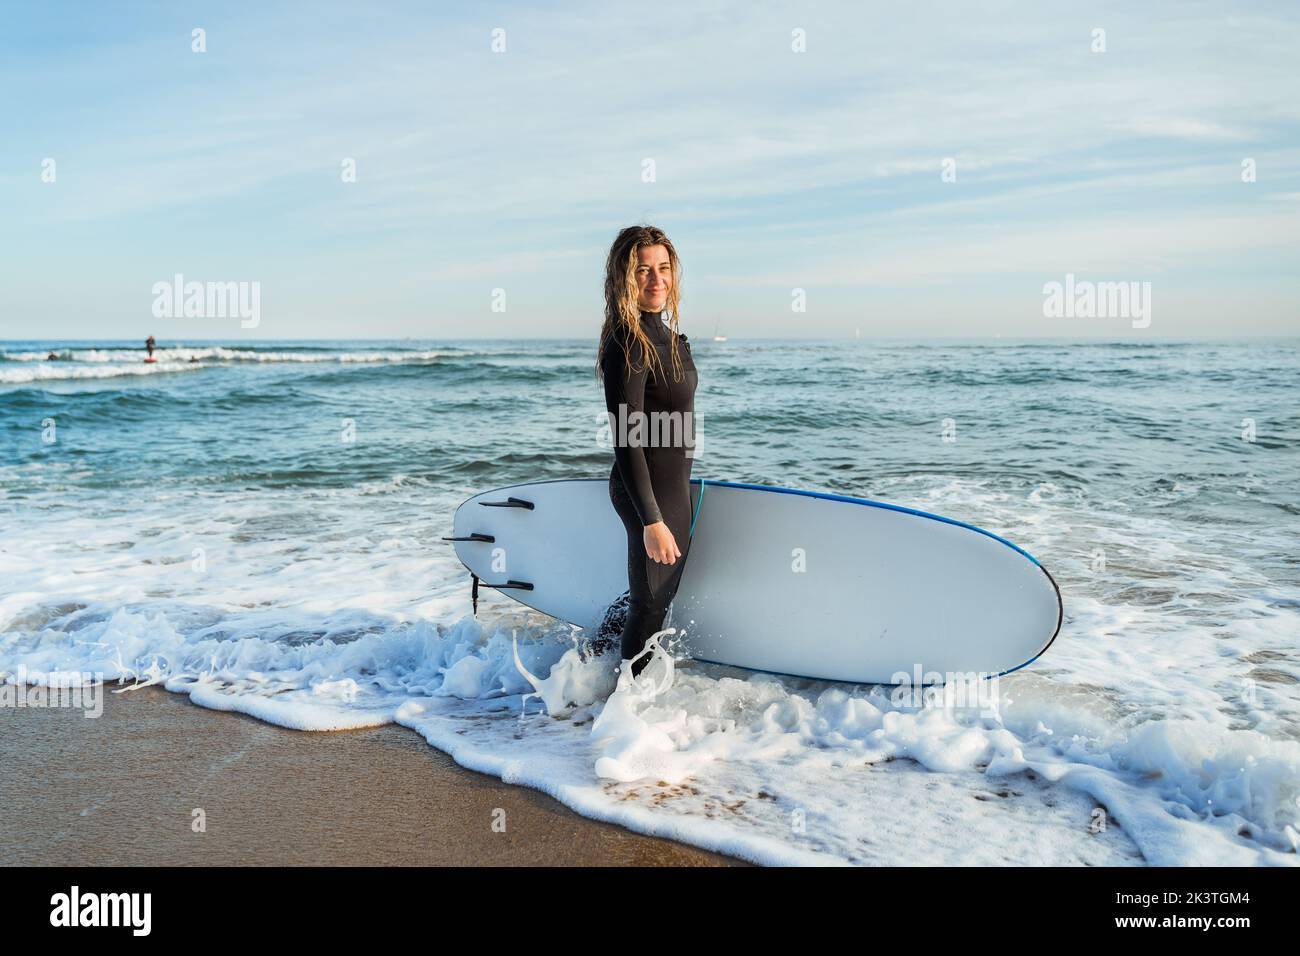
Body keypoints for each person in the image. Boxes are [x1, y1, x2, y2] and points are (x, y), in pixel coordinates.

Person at [595, 225, 698, 678]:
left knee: (655, 598)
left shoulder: (671, 339)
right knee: (650, 605)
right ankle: (624, 712)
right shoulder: (628, 342)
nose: (656, 280)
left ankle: (593, 656)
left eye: (663, 269)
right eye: (642, 271)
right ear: (624, 278)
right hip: (648, 493)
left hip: (672, 487)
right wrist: (651, 521)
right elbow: (627, 439)